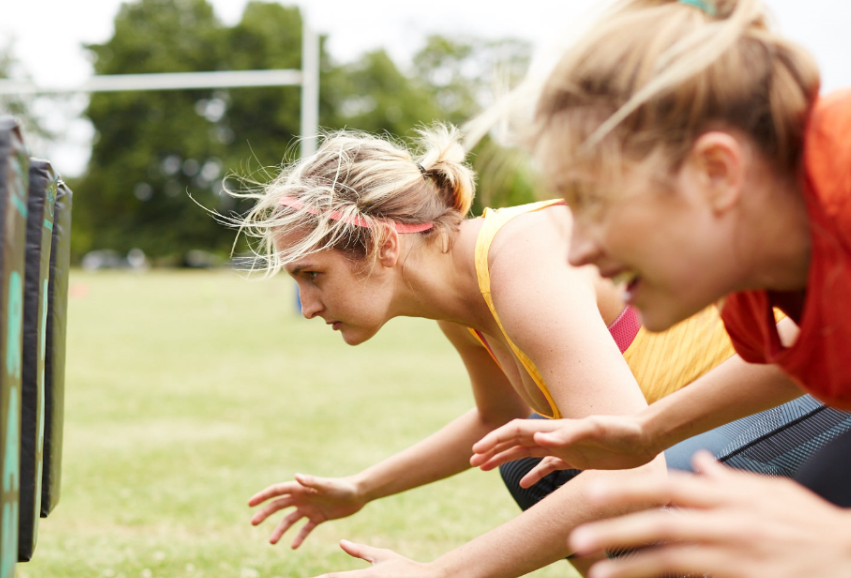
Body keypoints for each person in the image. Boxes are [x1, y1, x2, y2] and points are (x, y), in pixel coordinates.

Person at [229, 125, 840, 578]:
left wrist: (440, 572)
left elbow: (640, 471)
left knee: (632, 486)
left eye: (313, 275)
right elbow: (497, 420)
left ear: (384, 245)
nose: (308, 305)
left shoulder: (518, 261)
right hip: (714, 430)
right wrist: (360, 489)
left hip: (821, 389)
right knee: (532, 466)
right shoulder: (459, 298)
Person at [467, 0, 851, 576]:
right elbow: (807, 343)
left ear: (716, 172)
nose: (578, 252)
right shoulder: (758, 279)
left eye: (596, 204)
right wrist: (645, 432)